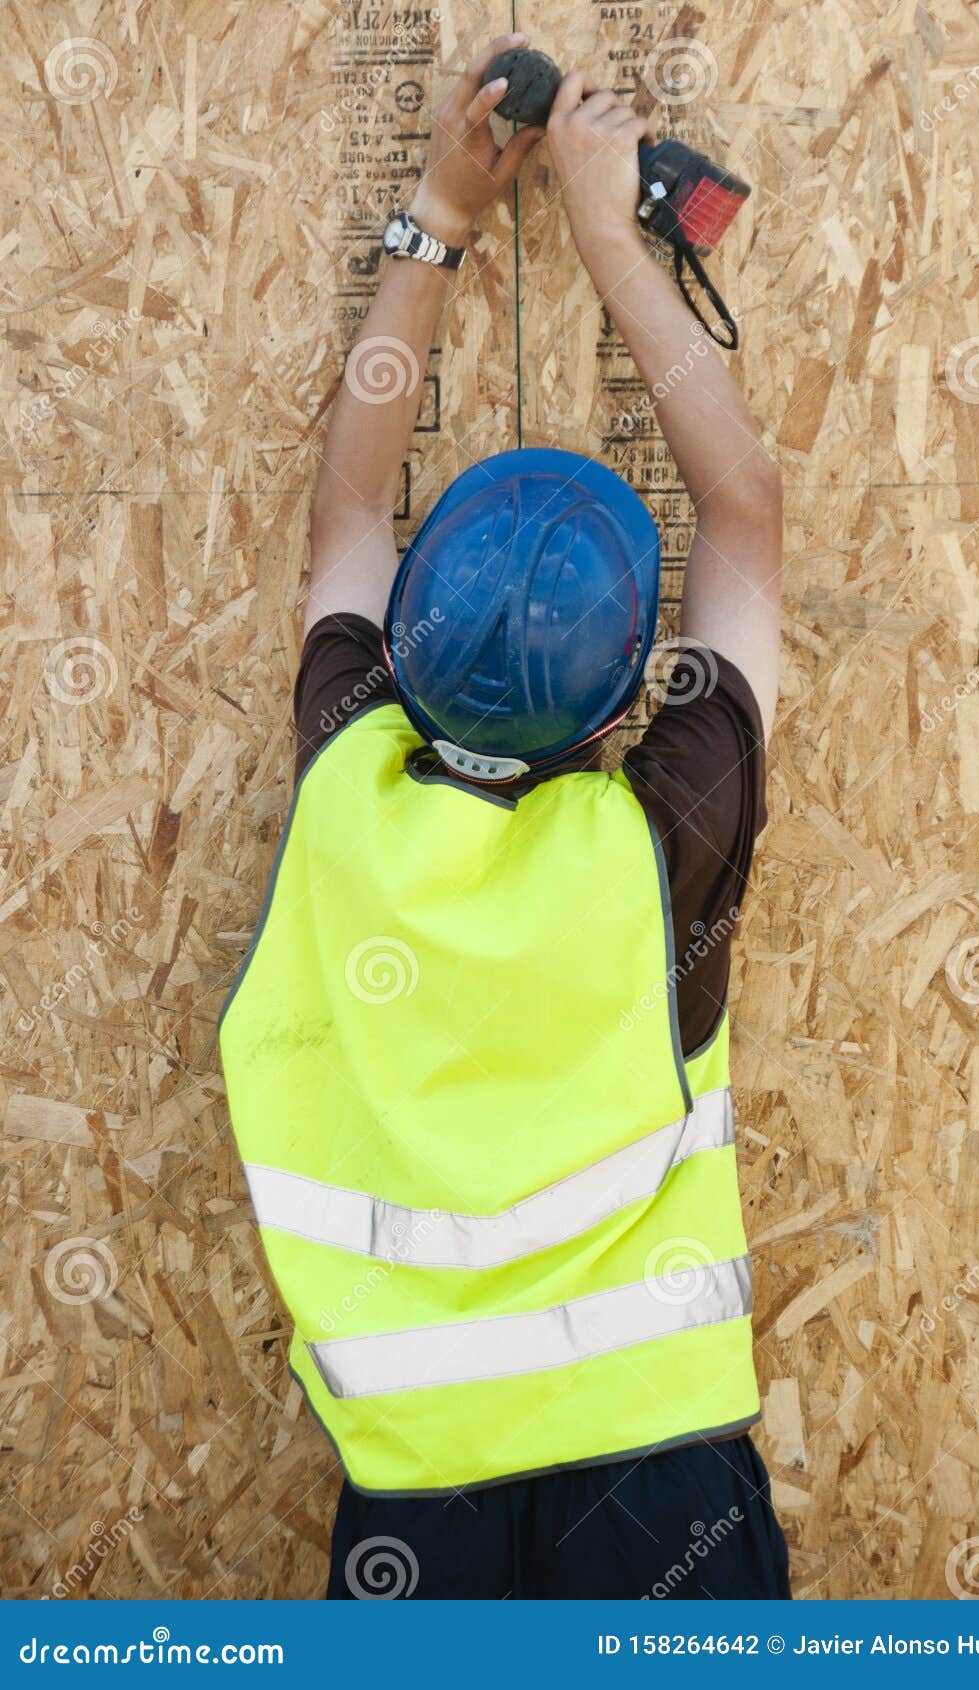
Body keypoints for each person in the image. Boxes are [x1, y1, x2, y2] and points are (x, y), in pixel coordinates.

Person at [218, 33, 788, 1600]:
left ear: (400, 648)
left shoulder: (350, 794)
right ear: (623, 708)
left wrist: (441, 215)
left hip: (417, 1506)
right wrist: (609, 235)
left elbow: (349, 507)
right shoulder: (649, 852)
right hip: (663, 1488)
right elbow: (744, 515)